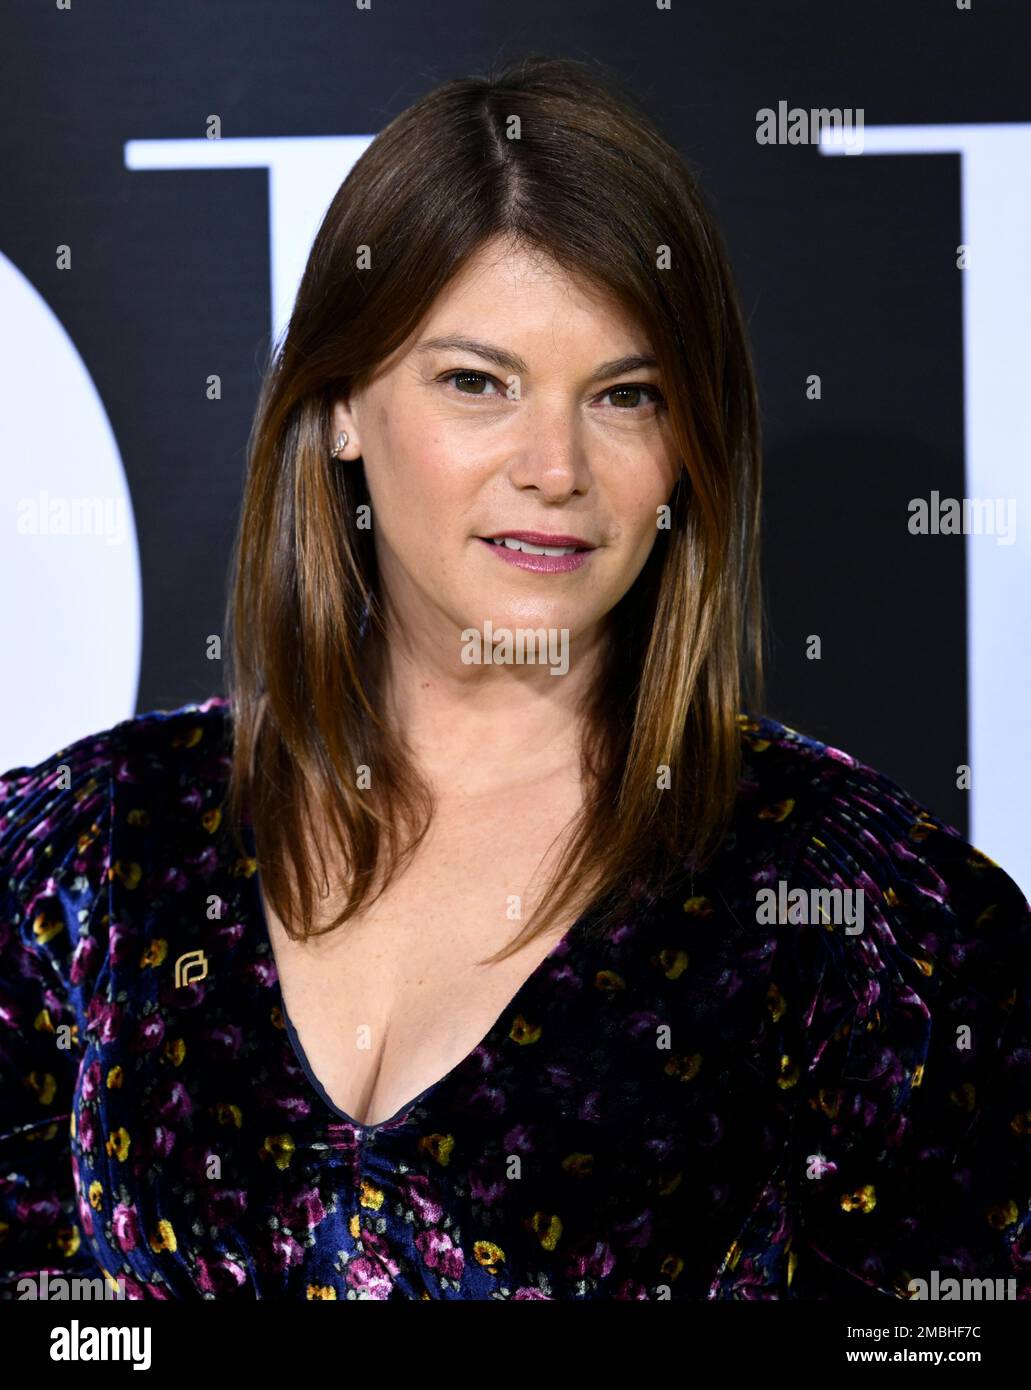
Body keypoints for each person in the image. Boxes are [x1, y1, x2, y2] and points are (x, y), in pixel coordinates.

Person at [2, 53, 1029, 1302]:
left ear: (690, 448)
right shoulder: (86, 848)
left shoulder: (867, 916)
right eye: (476, 382)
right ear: (336, 406)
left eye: (625, 396)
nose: (555, 466)